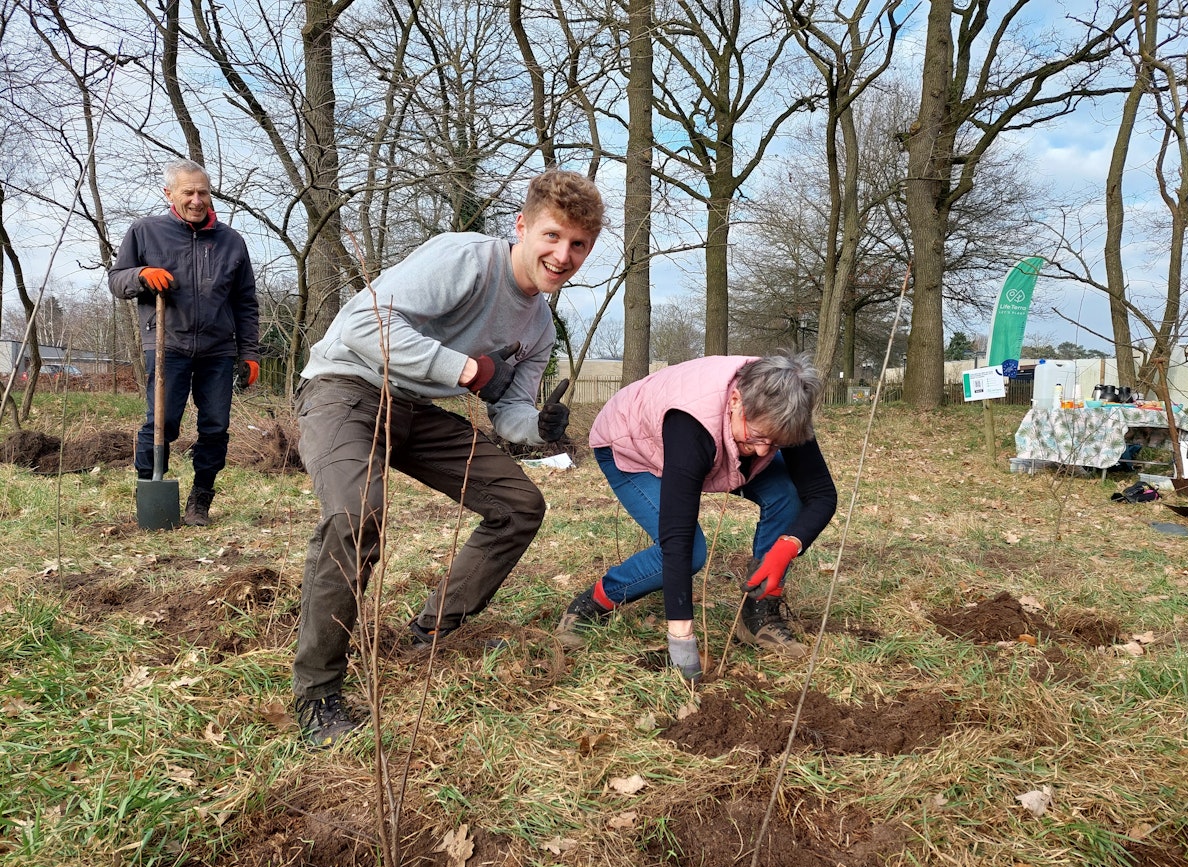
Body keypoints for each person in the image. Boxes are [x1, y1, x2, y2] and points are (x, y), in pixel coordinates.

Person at [291, 169, 607, 749]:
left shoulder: (538, 327)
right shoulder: (468, 260)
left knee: (519, 505)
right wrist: (461, 369)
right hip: (345, 386)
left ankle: (432, 629)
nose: (563, 256)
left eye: (579, 245)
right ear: (522, 227)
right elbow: (363, 322)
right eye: (553, 236)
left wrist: (538, 426)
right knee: (356, 514)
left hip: (414, 408)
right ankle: (317, 695)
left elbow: (506, 410)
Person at [555, 353, 837, 682]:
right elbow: (678, 538)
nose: (764, 452)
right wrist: (682, 642)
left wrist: (787, 547)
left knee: (785, 494)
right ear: (736, 401)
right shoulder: (692, 427)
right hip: (632, 445)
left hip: (706, 439)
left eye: (776, 444)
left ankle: (759, 615)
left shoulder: (784, 404)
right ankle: (593, 603)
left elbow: (821, 494)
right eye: (759, 438)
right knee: (689, 553)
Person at [109, 159, 260, 527]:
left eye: (203, 192)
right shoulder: (145, 232)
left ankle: (200, 501)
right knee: (162, 423)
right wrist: (141, 274)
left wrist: (250, 352)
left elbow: (245, 301)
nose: (196, 200)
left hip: (218, 349)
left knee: (214, 426)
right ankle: (150, 491)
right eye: (188, 192)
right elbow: (117, 281)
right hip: (166, 344)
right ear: (170, 194)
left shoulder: (231, 242)